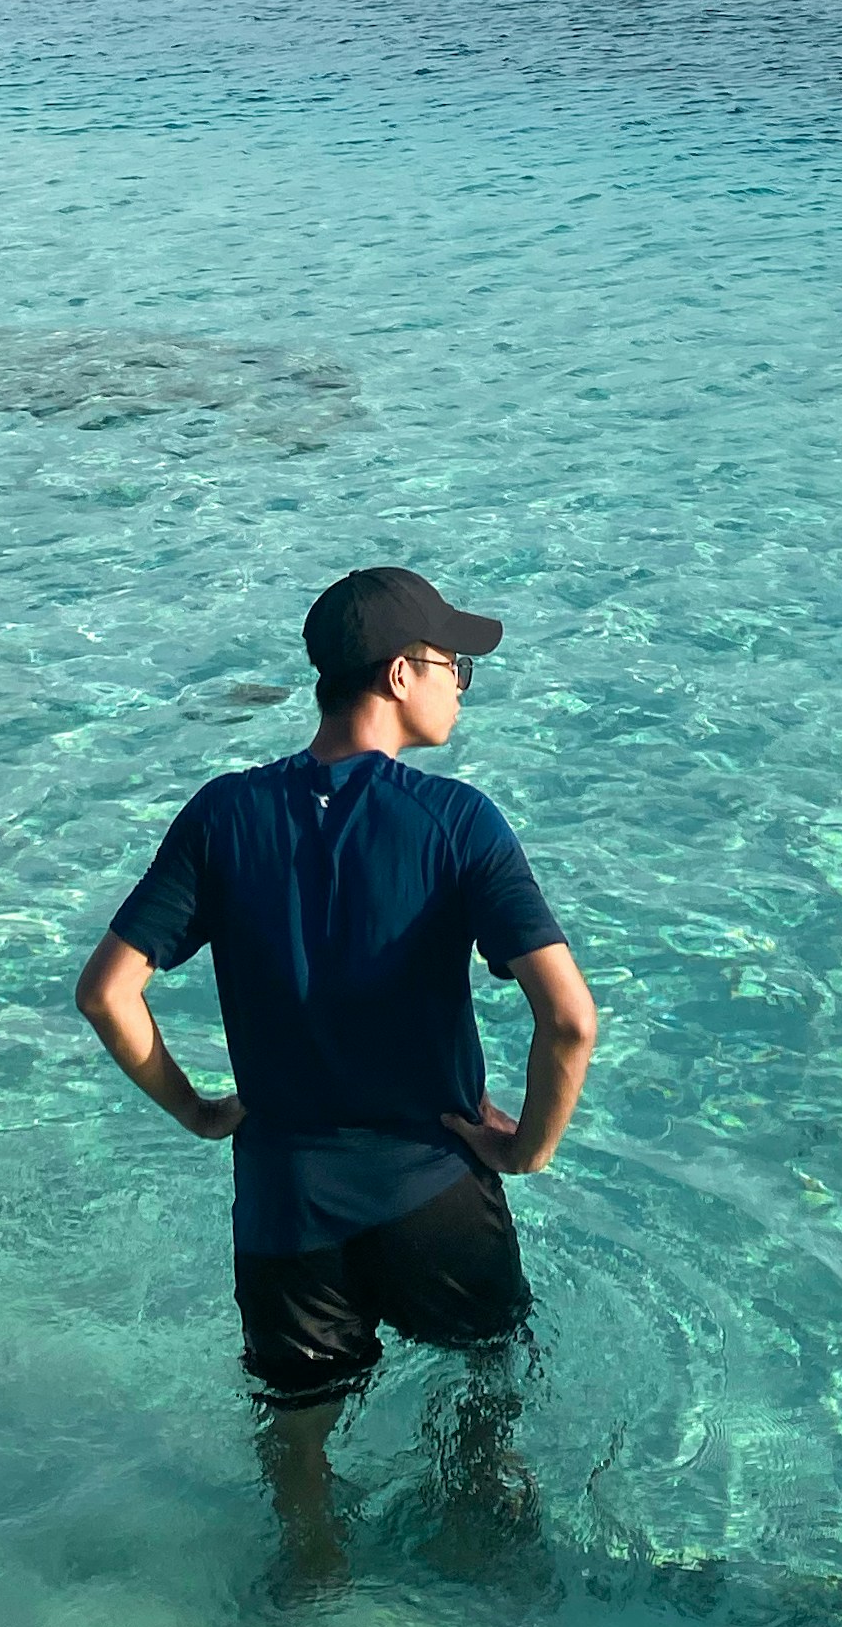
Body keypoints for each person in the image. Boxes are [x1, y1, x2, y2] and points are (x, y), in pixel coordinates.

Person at [75, 565, 597, 1565]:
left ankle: (312, 1583)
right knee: (484, 1387)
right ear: (399, 674)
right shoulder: (456, 822)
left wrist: (194, 1110)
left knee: (297, 1442)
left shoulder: (223, 814)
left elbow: (106, 992)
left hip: (281, 1207)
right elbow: (569, 1019)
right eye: (453, 667)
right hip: (436, 1190)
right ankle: (476, 1534)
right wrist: (527, 1146)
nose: (458, 687)